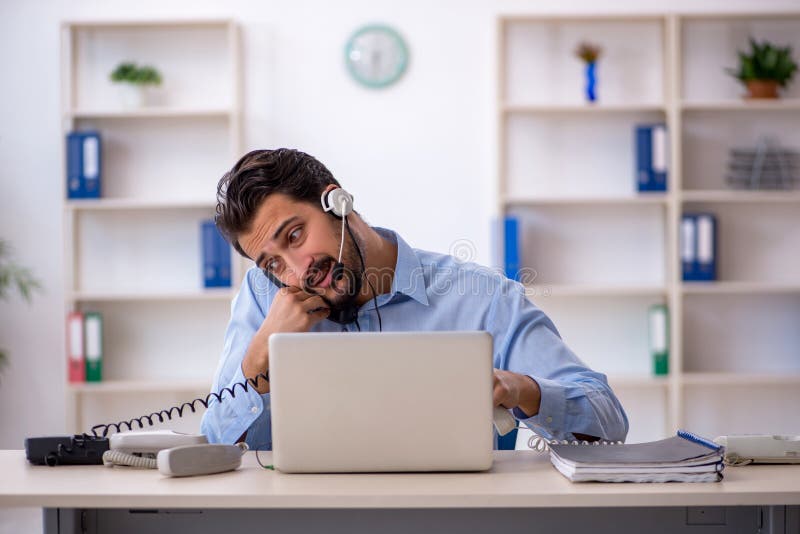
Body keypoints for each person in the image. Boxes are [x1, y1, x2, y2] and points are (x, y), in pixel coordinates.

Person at [200, 148, 628, 449]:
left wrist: (521, 389)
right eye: (273, 263)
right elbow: (217, 447)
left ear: (338, 202)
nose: (296, 271)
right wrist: (257, 361)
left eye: (294, 235)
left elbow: (608, 419)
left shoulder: (480, 297)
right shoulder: (263, 301)